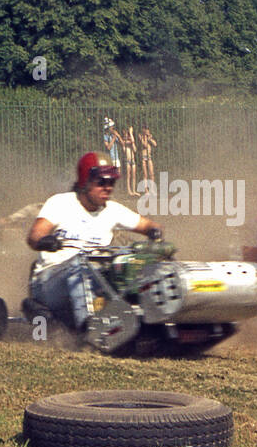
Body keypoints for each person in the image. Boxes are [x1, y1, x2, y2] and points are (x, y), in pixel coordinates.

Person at [26, 152, 162, 329]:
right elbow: (34, 235)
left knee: (130, 264)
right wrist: (45, 241)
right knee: (81, 264)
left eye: (111, 182)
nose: (108, 188)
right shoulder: (60, 203)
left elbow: (149, 225)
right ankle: (89, 328)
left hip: (95, 280)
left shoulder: (113, 210)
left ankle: (156, 320)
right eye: (101, 182)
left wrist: (154, 232)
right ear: (85, 182)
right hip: (50, 282)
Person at [121, 125, 138, 196]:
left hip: (133, 160)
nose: (126, 136)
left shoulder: (131, 142)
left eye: (127, 134)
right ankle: (129, 190)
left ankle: (134, 190)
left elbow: (135, 150)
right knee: (128, 175)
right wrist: (131, 133)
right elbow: (124, 149)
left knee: (134, 175)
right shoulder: (124, 142)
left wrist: (131, 134)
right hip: (127, 160)